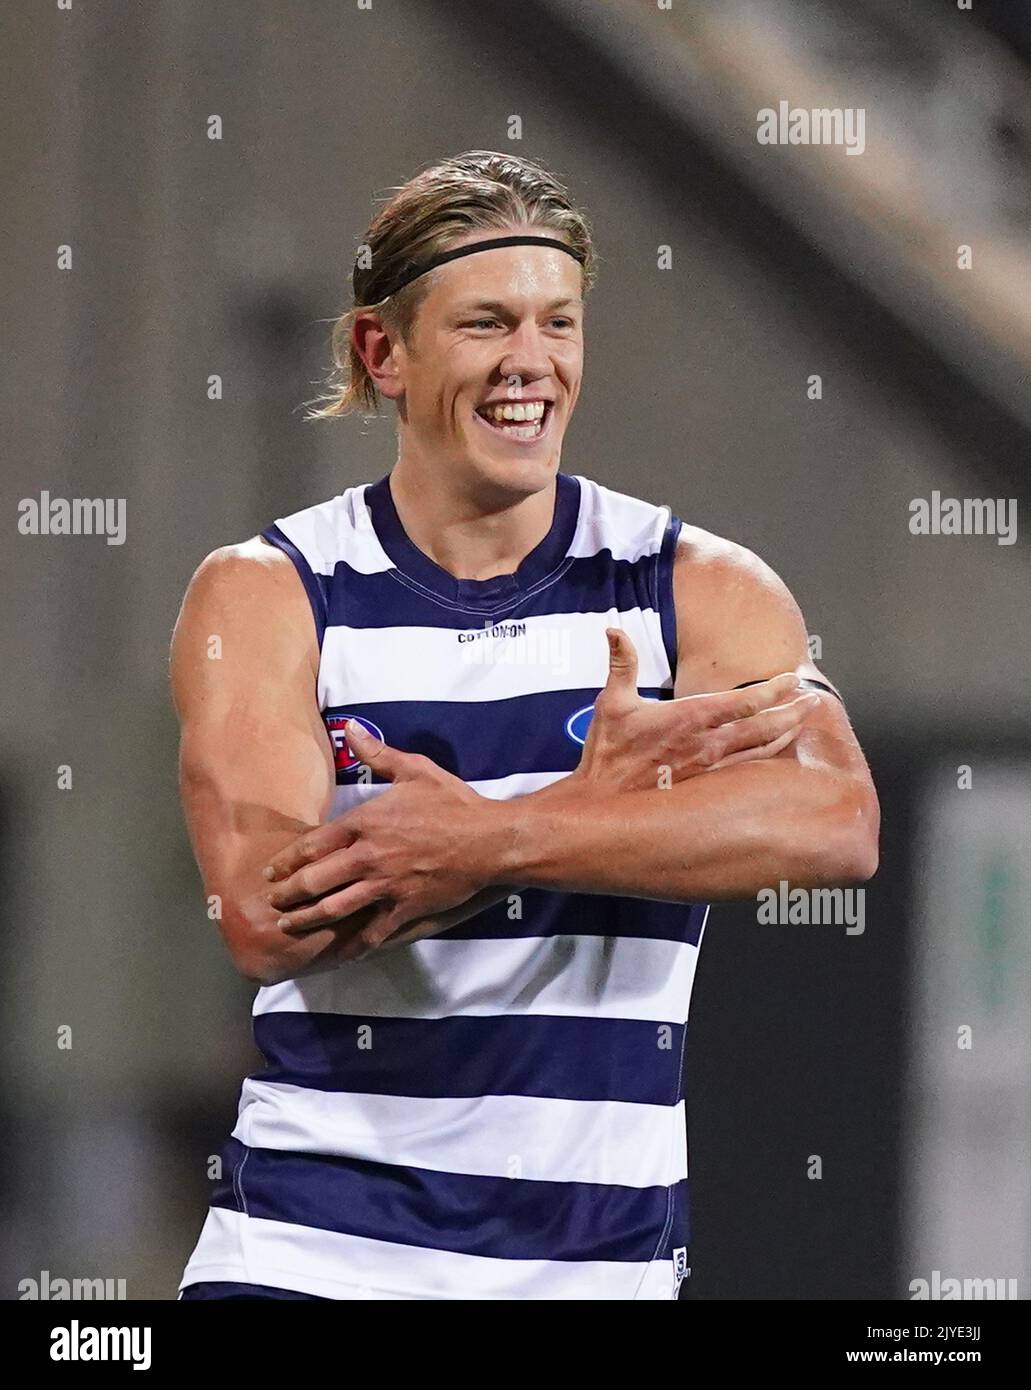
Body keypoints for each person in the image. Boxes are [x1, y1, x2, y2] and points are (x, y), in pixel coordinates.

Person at [170, 151, 879, 1301]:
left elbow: (832, 819)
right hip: (312, 1255)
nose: (530, 364)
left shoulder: (694, 586)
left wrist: (498, 836)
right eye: (486, 324)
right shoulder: (268, 590)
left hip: (593, 1272)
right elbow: (262, 909)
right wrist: (602, 816)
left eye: (559, 324)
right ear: (378, 352)